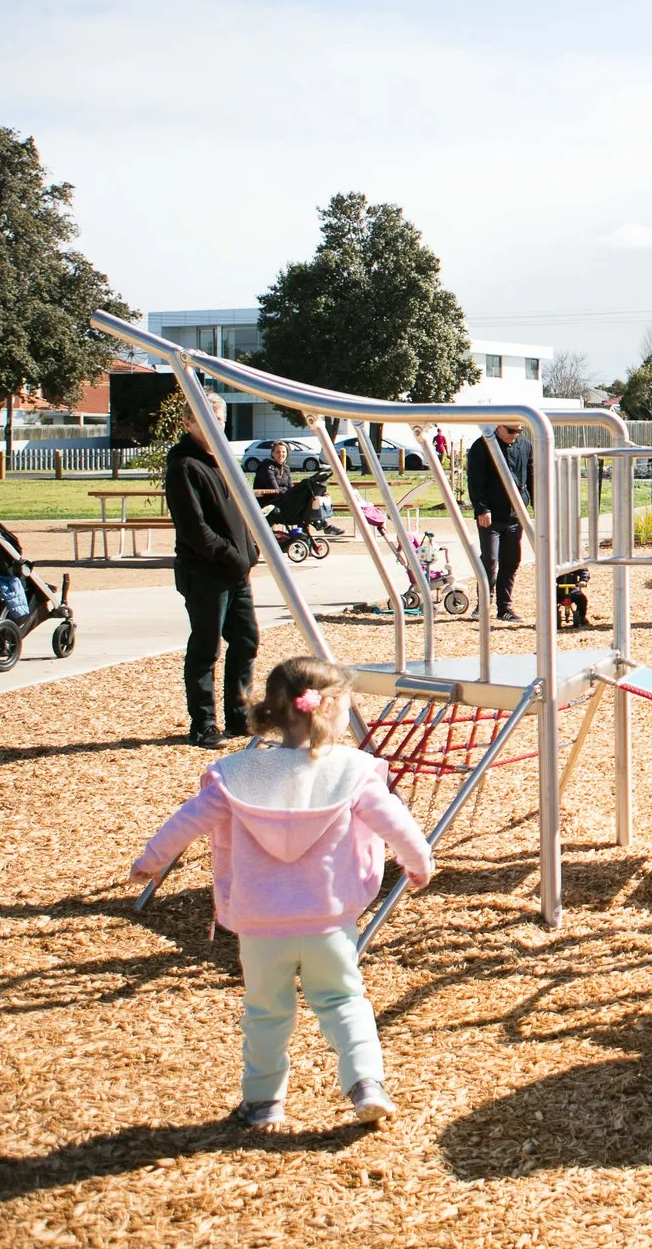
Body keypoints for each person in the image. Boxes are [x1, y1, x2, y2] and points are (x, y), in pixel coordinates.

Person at [132, 658, 436, 1130]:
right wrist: (418, 864)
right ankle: (366, 1083)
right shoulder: (351, 772)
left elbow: (188, 820)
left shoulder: (239, 774)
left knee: (266, 1011)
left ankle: (262, 1101)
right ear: (330, 710)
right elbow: (397, 823)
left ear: (274, 712)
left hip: (260, 922)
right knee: (343, 1000)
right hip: (328, 919)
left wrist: (151, 861)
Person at [164, 393, 262, 747]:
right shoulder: (184, 466)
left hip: (237, 571)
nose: (215, 426)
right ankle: (203, 724)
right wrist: (231, 555)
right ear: (189, 423)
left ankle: (239, 715)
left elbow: (240, 512)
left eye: (219, 420)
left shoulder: (222, 461)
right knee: (206, 647)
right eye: (206, 420)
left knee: (247, 640)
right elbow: (194, 529)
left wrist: (251, 548)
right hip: (206, 572)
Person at [466, 420, 535, 624]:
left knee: (511, 560)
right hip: (492, 515)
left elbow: (531, 476)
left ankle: (505, 607)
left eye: (519, 430)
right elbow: (475, 480)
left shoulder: (525, 446)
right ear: (499, 426)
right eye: (511, 430)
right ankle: (483, 604)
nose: (515, 434)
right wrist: (481, 508)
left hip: (516, 513)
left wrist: (536, 506)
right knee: (490, 559)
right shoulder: (482, 446)